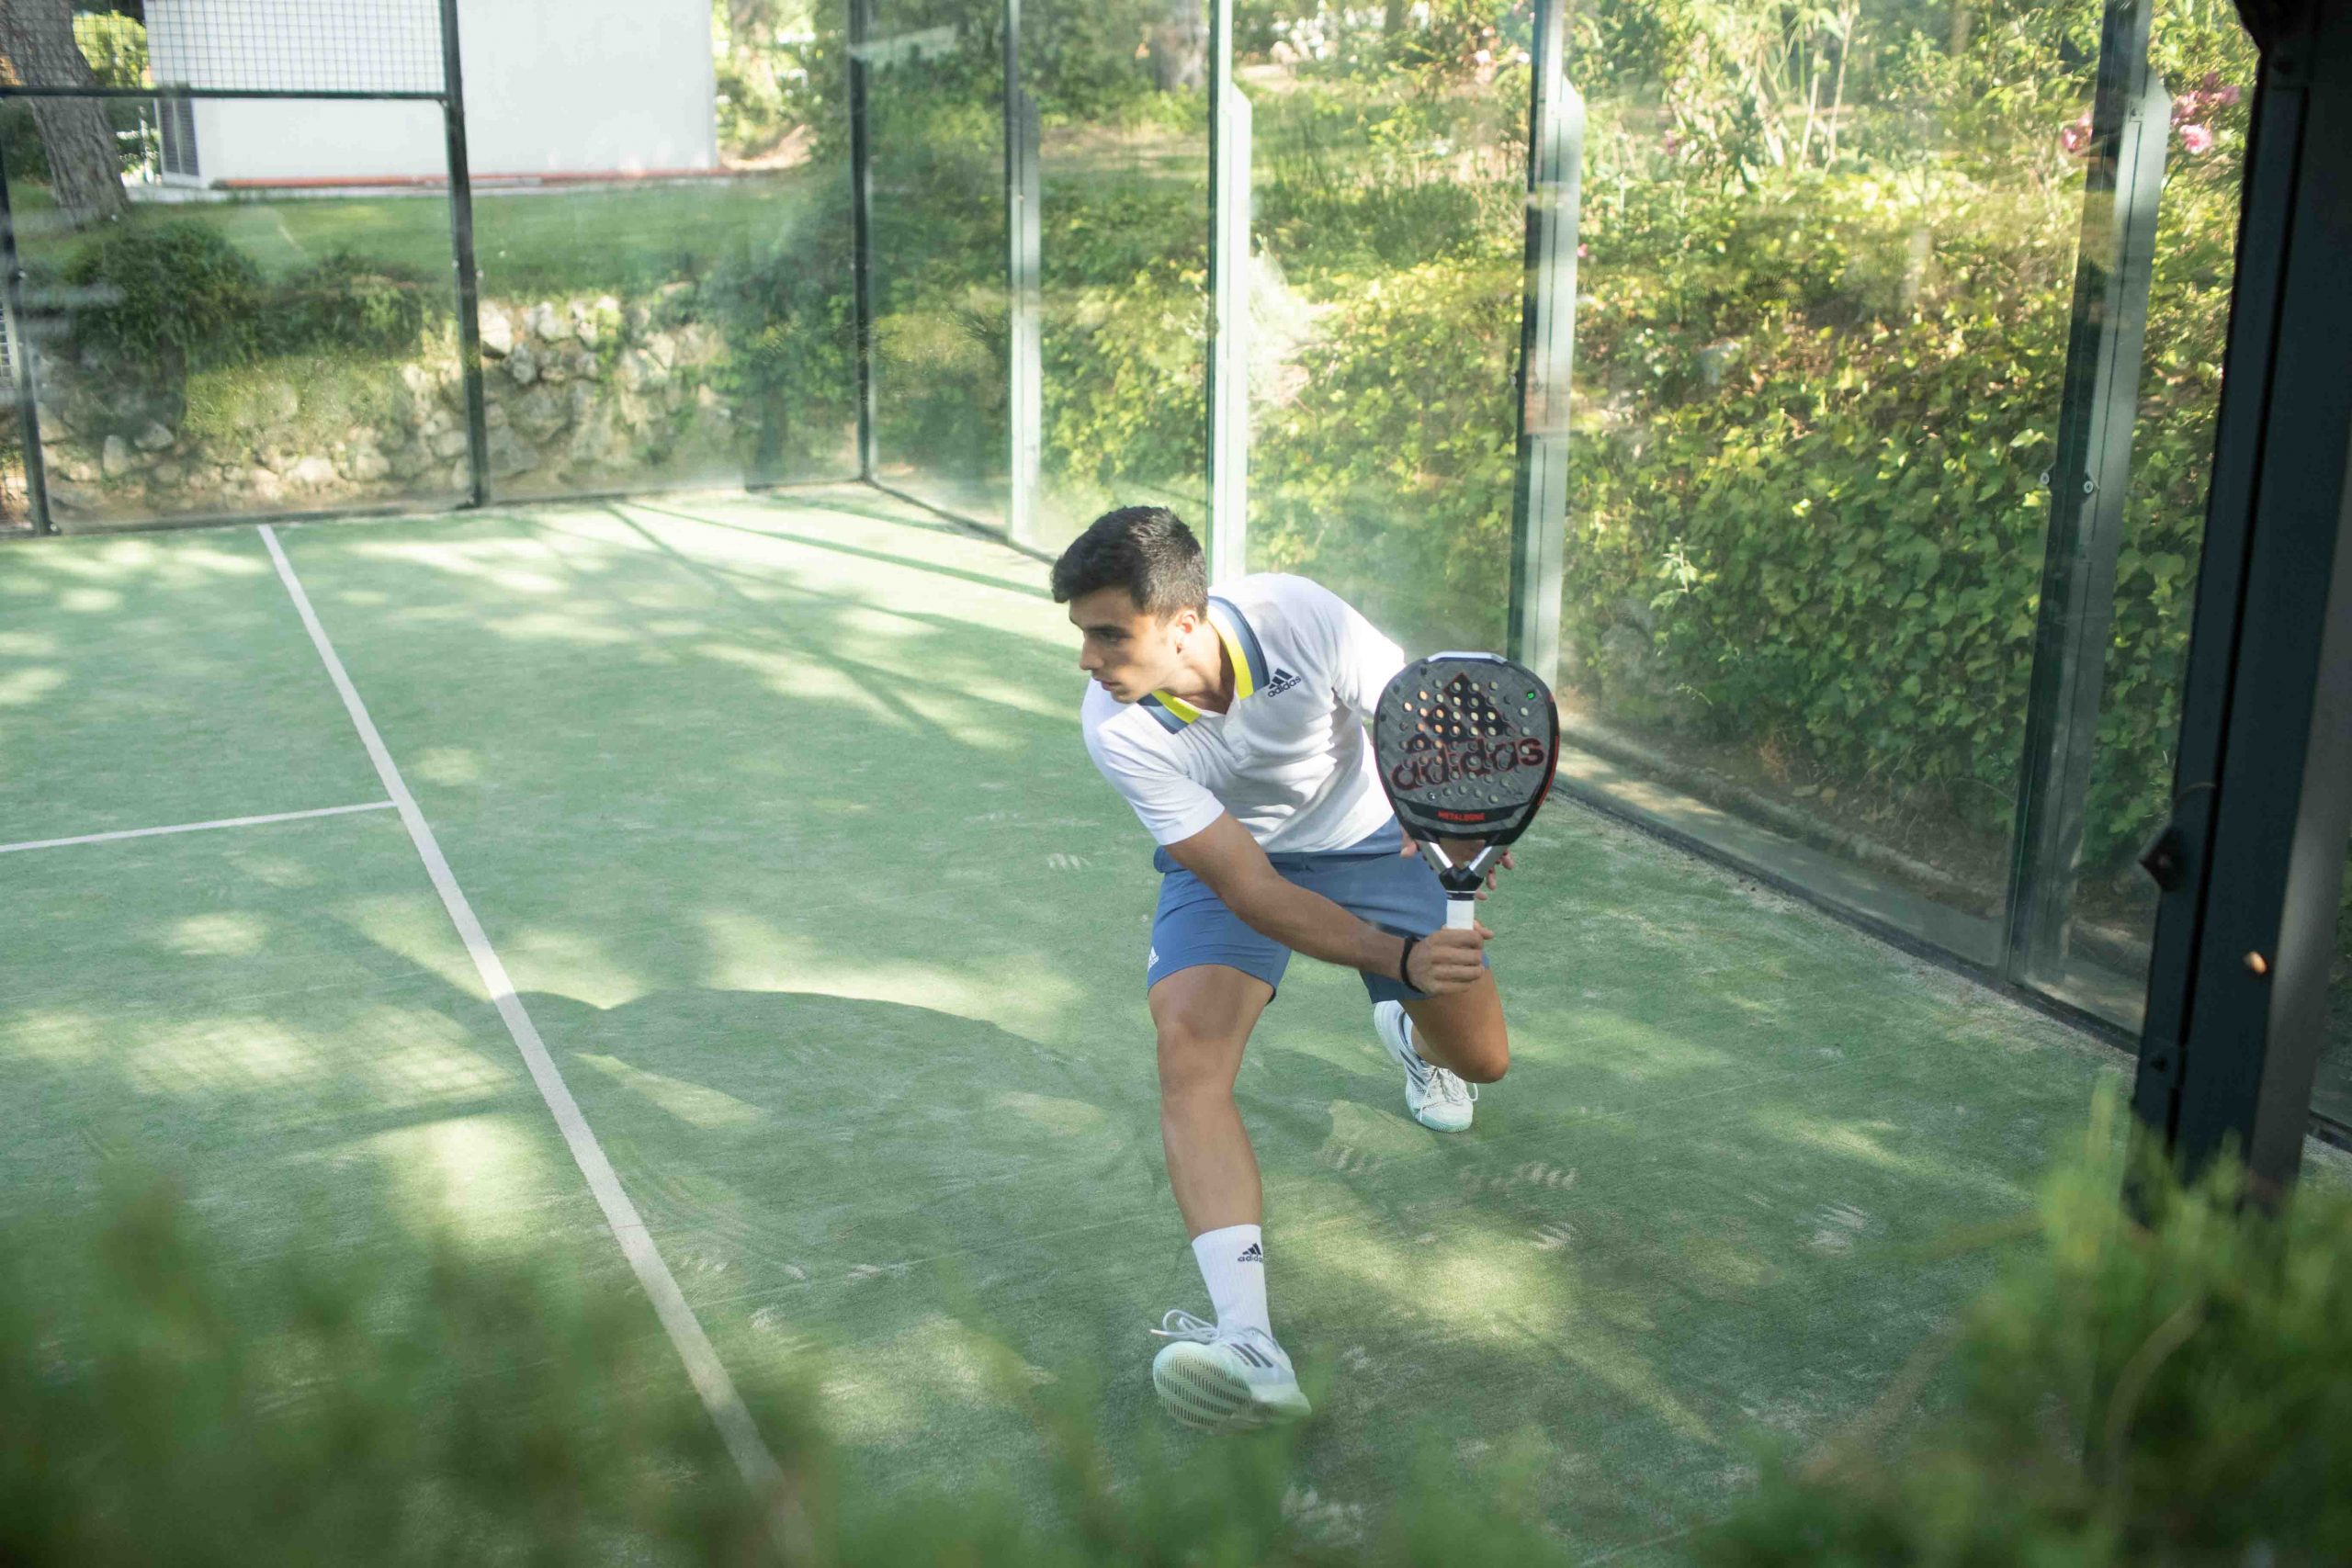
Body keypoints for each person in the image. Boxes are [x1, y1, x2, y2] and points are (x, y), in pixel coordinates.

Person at [1054, 505, 1514, 1434]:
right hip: (1238, 859)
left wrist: (1451, 819)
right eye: (1083, 634)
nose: (1088, 659)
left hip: (1371, 836)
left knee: (1483, 1062)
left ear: (1183, 623)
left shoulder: (1297, 614)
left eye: (1109, 635)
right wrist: (1404, 956)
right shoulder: (1117, 726)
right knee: (1187, 1054)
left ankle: (1411, 1033)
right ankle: (1249, 1342)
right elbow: (1253, 890)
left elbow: (1412, 714)